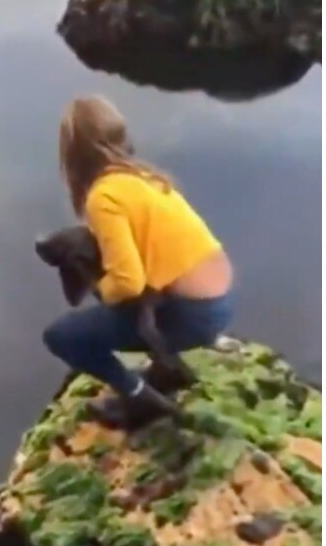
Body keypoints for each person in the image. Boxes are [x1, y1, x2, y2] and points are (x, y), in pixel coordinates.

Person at [41, 96, 234, 428]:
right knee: (112, 281)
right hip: (219, 302)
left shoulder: (104, 197)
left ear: (71, 155)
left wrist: (97, 283)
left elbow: (129, 282)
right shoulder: (143, 178)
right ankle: (166, 368)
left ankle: (140, 397)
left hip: (192, 316)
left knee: (62, 336)